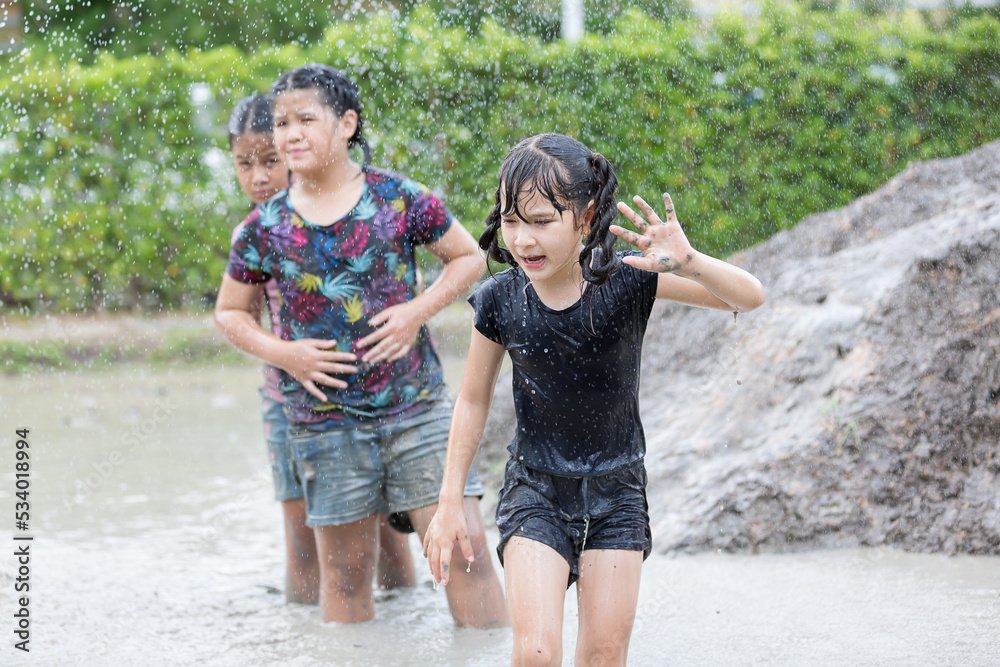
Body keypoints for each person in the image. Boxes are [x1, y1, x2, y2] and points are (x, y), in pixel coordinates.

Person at [423, 133, 765, 666]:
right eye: (511, 221)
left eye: (541, 221)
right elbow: (471, 400)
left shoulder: (627, 277)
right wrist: (449, 502)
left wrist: (689, 260)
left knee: (604, 654)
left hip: (617, 492)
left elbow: (748, 296)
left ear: (584, 219)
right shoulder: (500, 299)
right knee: (535, 653)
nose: (522, 239)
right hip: (535, 488)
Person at [215, 65, 507, 627]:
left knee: (465, 548)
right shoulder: (263, 227)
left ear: (346, 123)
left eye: (305, 119)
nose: (289, 134)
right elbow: (229, 312)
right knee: (346, 575)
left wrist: (416, 311)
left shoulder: (397, 198)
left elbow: (470, 258)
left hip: (416, 410)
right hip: (324, 424)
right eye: (281, 123)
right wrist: (285, 355)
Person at [227, 94, 418, 601]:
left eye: (271, 160)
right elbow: (238, 319)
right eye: (245, 163)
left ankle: (403, 613)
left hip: (371, 391)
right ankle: (305, 636)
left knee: (383, 523)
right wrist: (287, 355)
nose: (259, 176)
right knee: (301, 527)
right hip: (289, 395)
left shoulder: (345, 213)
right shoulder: (257, 232)